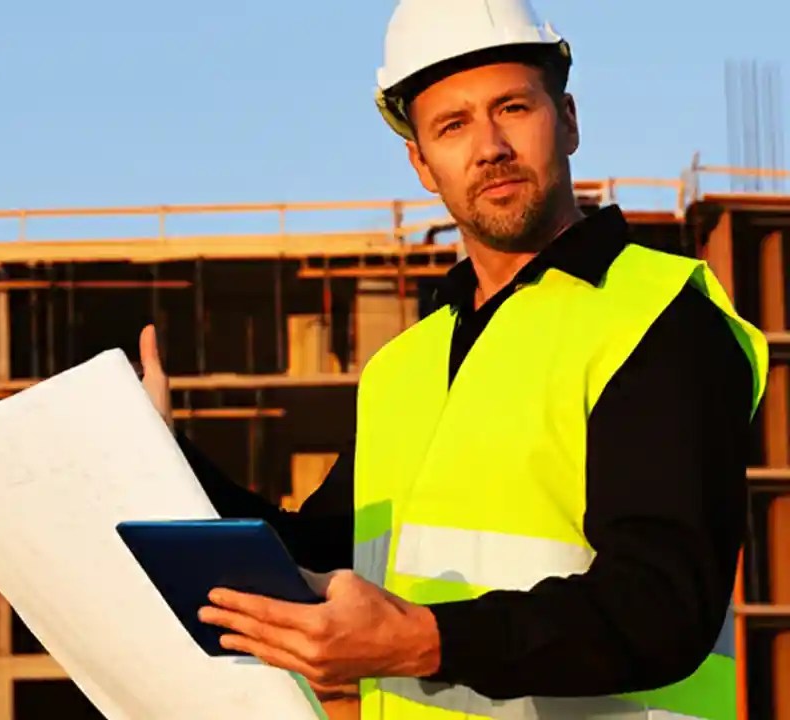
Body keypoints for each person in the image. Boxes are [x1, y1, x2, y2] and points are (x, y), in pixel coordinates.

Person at [136, 0, 770, 717]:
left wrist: (423, 641)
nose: (490, 147)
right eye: (453, 125)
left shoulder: (659, 318)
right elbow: (319, 554)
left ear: (567, 120)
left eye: (512, 108)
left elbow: (661, 605)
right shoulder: (403, 367)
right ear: (421, 162)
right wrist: (161, 455)